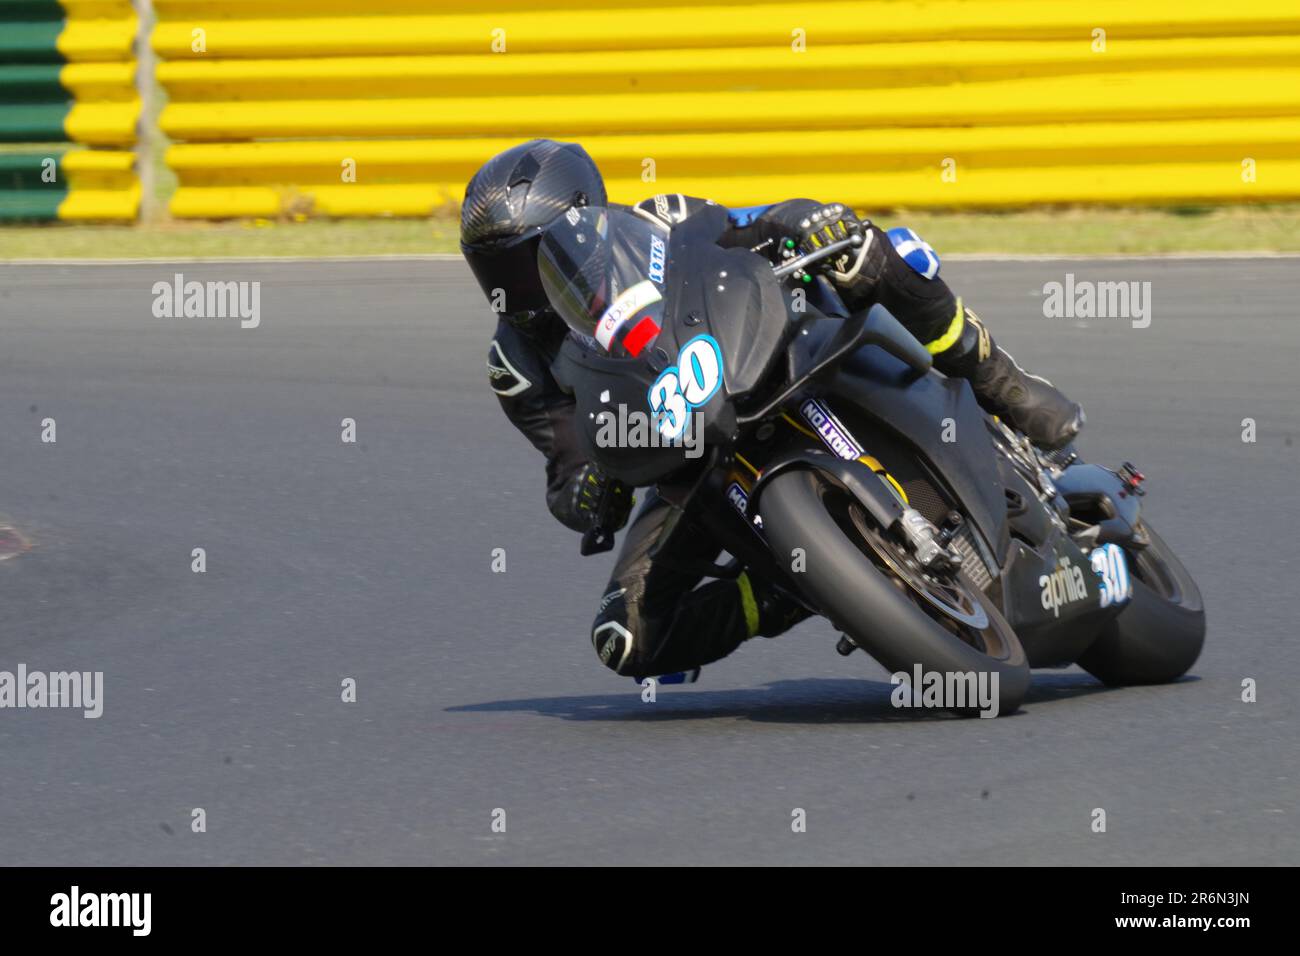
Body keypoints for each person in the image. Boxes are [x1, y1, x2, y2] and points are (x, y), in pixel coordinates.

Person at [460, 138, 1083, 682]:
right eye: (496, 270)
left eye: (526, 260)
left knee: (866, 249)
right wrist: (593, 487)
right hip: (687, 456)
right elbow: (565, 471)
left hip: (772, 345)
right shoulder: (515, 364)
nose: (518, 287)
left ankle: (1004, 383)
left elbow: (752, 223)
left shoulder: (661, 219)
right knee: (625, 638)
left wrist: (809, 222)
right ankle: (791, 587)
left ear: (587, 219)